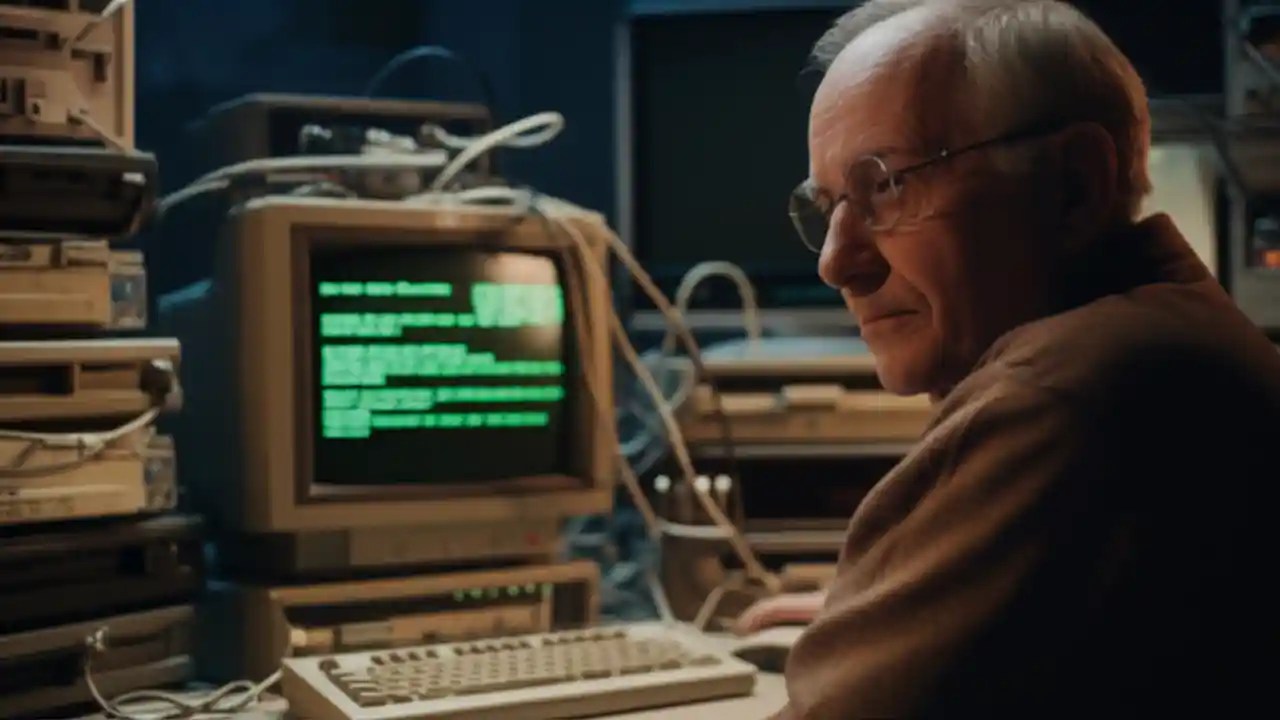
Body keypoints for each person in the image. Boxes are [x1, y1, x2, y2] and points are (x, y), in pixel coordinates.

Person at [738, 0, 1280, 717]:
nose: (837, 263)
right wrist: (907, 613)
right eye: (828, 206)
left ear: (1073, 185)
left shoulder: (1068, 395)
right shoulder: (1172, 340)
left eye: (889, 185)